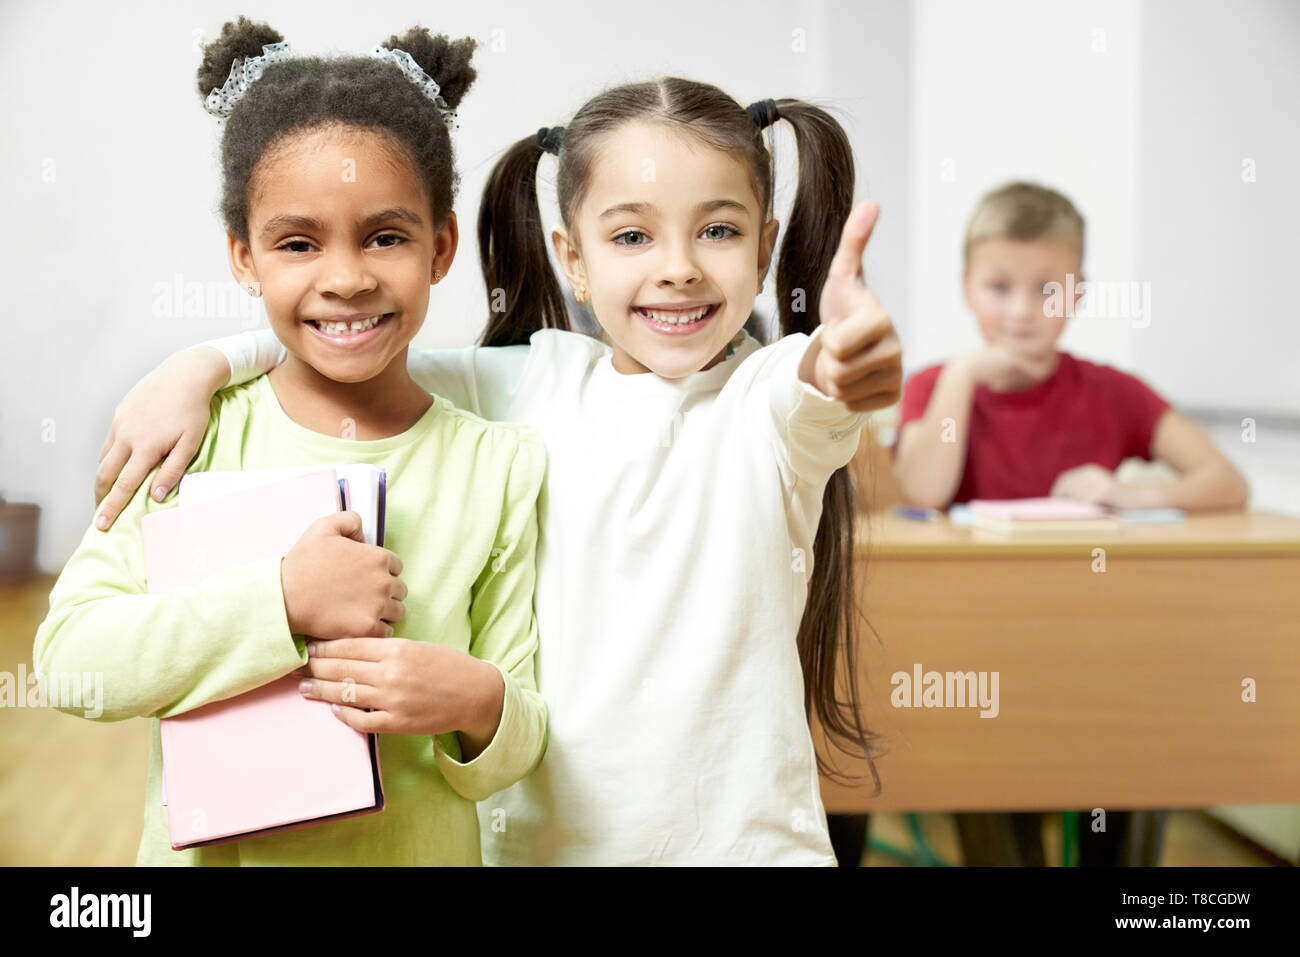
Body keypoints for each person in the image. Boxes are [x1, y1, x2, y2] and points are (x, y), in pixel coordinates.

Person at [93, 77, 903, 865]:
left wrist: (848, 360)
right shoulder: (524, 381)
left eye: (718, 232)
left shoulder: (766, 399)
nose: (680, 267)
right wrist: (197, 366)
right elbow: (348, 338)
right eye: (631, 237)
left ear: (765, 248)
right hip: (538, 848)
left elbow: (823, 385)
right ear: (573, 259)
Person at [33, 18, 547, 866]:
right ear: (244, 256)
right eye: (298, 243)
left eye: (386, 235)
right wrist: (281, 602)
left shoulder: (497, 466)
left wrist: (476, 700)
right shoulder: (193, 435)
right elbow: (71, 660)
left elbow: (516, 735)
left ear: (441, 245)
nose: (345, 277)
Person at [892, 180, 1249, 866]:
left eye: (1047, 289)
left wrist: (1124, 491)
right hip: (978, 656)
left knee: (1136, 747)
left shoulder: (1113, 391)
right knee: (997, 792)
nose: (1023, 310)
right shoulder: (933, 385)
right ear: (966, 289)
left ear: (1078, 293)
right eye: (999, 286)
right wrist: (964, 376)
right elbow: (922, 489)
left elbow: (1225, 482)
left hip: (1099, 652)